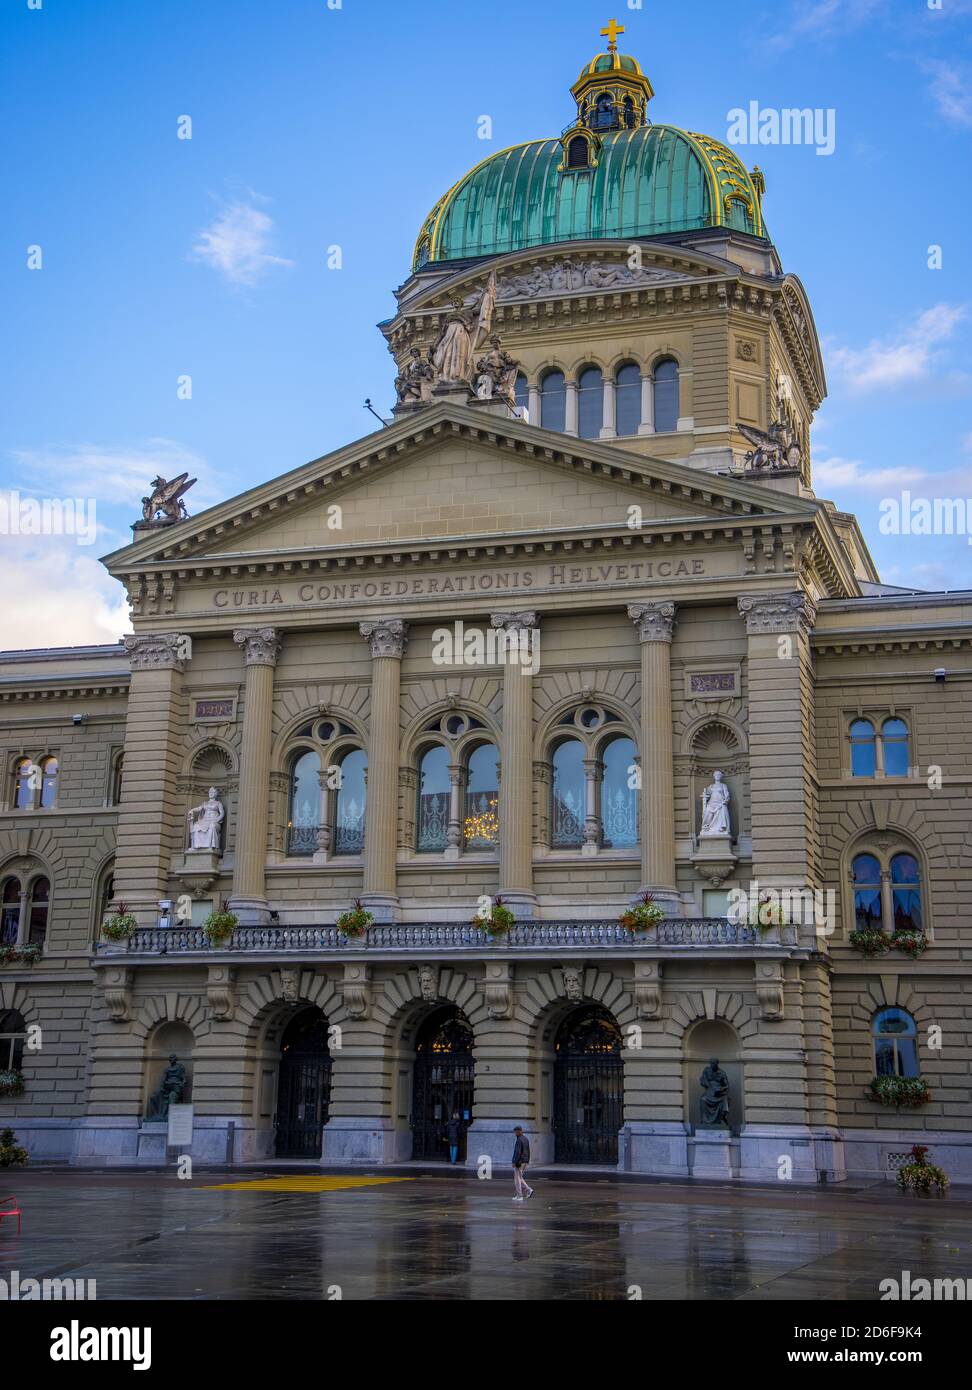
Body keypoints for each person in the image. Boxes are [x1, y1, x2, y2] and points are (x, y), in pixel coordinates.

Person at [512, 1125, 533, 1201]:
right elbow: (528, 1151)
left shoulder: (519, 1140)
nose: (515, 1133)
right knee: (520, 1178)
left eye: (515, 1131)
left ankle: (519, 1195)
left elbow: (517, 1152)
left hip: (519, 1162)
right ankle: (528, 1190)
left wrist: (514, 1161)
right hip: (524, 1161)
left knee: (517, 1179)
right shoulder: (526, 1139)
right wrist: (527, 1161)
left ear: (519, 1131)